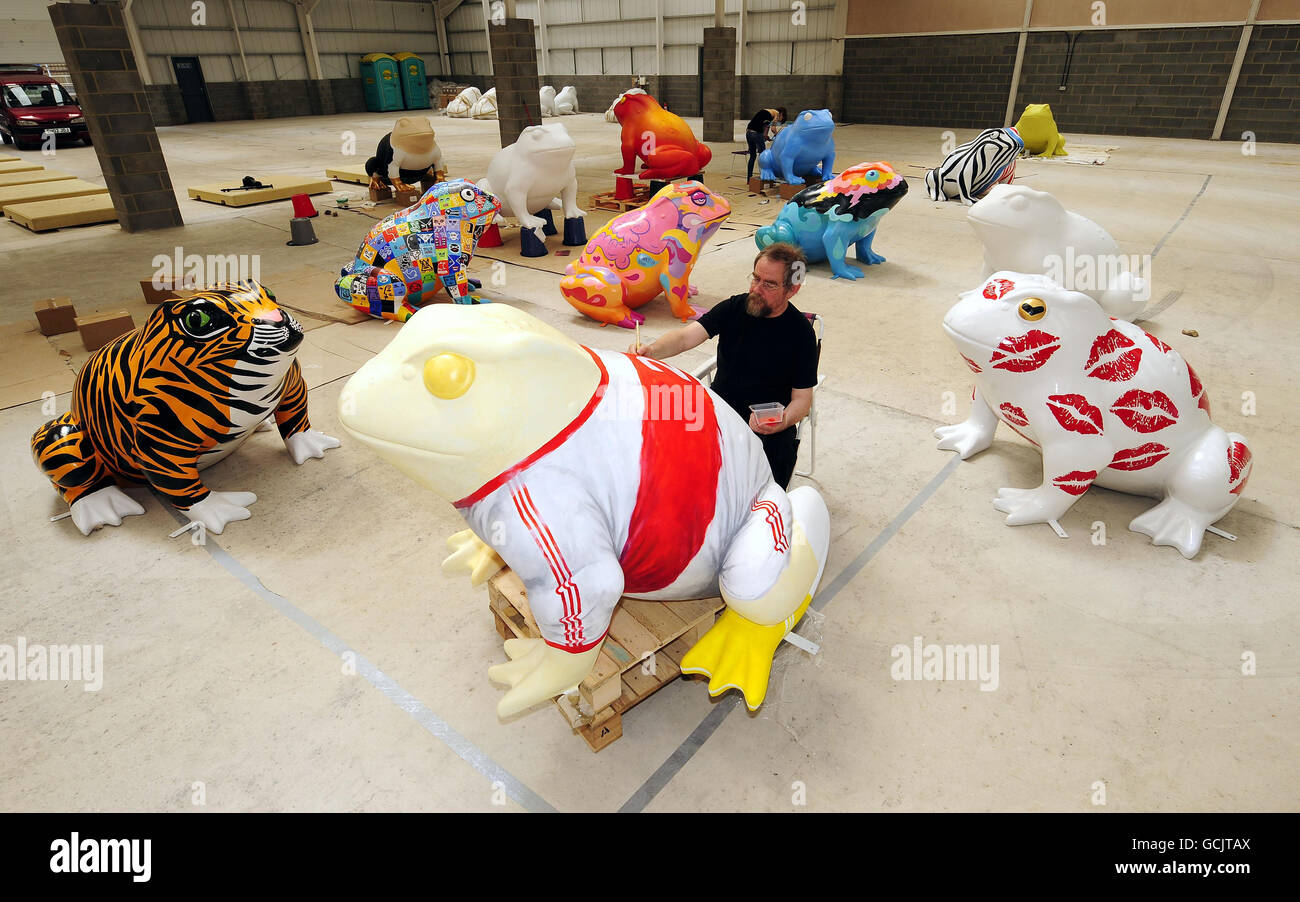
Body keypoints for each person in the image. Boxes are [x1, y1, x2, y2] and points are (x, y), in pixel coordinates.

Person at [630, 243, 817, 489]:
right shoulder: (735, 307)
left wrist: (783, 421)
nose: (756, 289)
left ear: (792, 290)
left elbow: (802, 400)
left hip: (765, 419)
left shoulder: (800, 333)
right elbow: (686, 337)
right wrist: (652, 351)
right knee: (663, 443)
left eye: (769, 284)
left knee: (768, 477)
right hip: (719, 408)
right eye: (755, 278)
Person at [744, 107, 787, 182]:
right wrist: (779, 136)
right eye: (781, 119)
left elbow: (766, 127)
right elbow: (773, 129)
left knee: (753, 156)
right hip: (756, 134)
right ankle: (764, 178)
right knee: (764, 156)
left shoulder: (767, 113)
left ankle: (749, 179)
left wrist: (765, 136)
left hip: (748, 133)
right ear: (781, 114)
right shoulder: (776, 114)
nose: (779, 122)